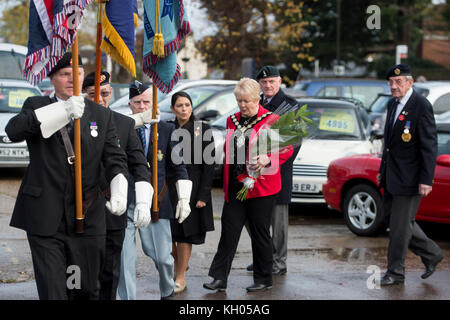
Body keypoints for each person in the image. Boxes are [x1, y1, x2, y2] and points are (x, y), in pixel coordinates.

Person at [5, 52, 129, 300]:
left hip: (88, 216)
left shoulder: (100, 114)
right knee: (54, 291)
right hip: (45, 216)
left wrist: (120, 187)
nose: (72, 79)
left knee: (86, 290)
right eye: (64, 74)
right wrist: (61, 110)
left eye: (78, 73)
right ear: (52, 79)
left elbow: (115, 159)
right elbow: (14, 130)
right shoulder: (36, 105)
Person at [203, 78, 293, 293]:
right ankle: (219, 278)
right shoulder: (232, 120)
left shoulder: (272, 120)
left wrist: (267, 158)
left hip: (261, 187)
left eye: (246, 101)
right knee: (229, 231)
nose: (242, 105)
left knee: (260, 232)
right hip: (236, 185)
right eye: (239, 101)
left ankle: (264, 278)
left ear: (257, 99)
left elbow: (286, 148)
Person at [82, 71, 157, 300]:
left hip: (113, 210)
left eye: (104, 94)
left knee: (109, 274)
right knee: (79, 274)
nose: (100, 99)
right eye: (93, 94)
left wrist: (144, 200)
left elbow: (139, 165)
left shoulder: (124, 124)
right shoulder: (74, 122)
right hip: (81, 209)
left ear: (111, 93)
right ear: (84, 94)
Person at [118, 81, 191, 300]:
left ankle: (167, 291)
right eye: (137, 102)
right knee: (125, 260)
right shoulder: (120, 127)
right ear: (130, 104)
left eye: (146, 102)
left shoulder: (168, 129)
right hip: (127, 201)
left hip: (157, 203)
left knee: (162, 258)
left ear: (154, 103)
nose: (142, 106)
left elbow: (178, 166)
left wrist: (184, 198)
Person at [377, 64, 444, 286]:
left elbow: (429, 145)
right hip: (391, 175)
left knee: (398, 227)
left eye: (398, 82)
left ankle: (395, 272)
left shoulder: (421, 105)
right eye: (391, 83)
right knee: (394, 220)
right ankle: (432, 253)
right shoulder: (392, 104)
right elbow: (389, 144)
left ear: (410, 82)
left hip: (411, 178)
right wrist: (381, 171)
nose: (394, 87)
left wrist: (427, 179)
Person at [246, 65, 300, 275]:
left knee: (278, 223)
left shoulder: (289, 106)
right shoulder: (255, 102)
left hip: (278, 171)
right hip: (254, 171)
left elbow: (294, 142)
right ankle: (264, 256)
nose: (268, 85)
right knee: (254, 219)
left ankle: (278, 262)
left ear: (279, 82)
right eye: (264, 82)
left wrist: (271, 162)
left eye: (272, 82)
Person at [168, 91, 215, 294]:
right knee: (169, 234)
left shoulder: (202, 129)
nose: (184, 109)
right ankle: (180, 264)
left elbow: (209, 165)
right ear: (173, 109)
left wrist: (203, 196)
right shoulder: (166, 128)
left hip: (194, 188)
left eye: (187, 105)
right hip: (169, 189)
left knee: (186, 234)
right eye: (179, 105)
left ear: (192, 107)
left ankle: (180, 276)